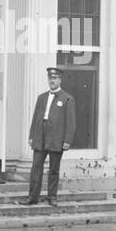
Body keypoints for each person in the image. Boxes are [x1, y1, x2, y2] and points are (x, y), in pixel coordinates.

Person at [20, 66, 76, 206]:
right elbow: (35, 118)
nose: (52, 81)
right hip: (40, 135)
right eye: (50, 78)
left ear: (60, 80)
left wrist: (67, 140)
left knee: (54, 169)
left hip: (57, 137)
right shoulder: (41, 97)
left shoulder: (67, 98)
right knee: (36, 167)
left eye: (55, 78)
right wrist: (31, 136)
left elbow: (71, 122)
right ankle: (32, 197)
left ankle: (52, 197)